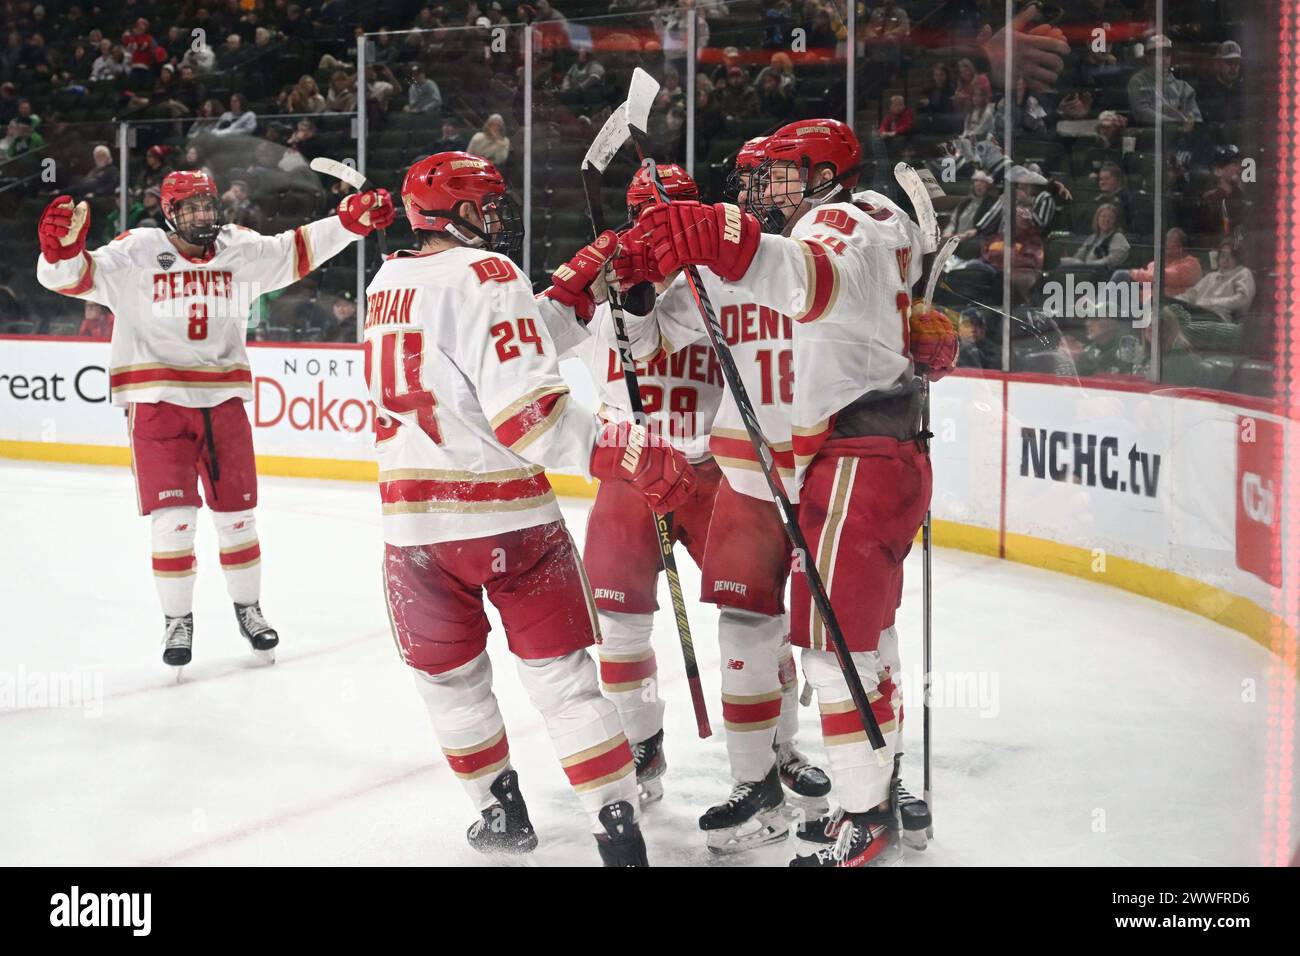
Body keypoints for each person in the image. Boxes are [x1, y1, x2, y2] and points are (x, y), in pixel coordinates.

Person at [620, 120, 954, 864]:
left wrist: (717, 237)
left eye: (774, 175)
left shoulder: (844, 221)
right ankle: (760, 781)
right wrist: (637, 294)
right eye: (753, 180)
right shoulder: (743, 251)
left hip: (832, 463)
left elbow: (814, 277)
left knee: (846, 637)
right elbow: (647, 346)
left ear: (822, 172)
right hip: (748, 472)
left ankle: (873, 785)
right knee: (755, 629)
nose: (759, 192)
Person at [367, 152, 695, 866]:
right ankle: (617, 824)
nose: (496, 217)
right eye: (483, 205)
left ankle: (499, 812)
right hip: (514, 523)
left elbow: (484, 350)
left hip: (416, 533)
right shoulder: (489, 274)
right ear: (450, 210)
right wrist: (625, 450)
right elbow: (531, 416)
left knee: (450, 683)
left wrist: (572, 295)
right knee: (566, 683)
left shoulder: (386, 279)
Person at [35, 170, 395, 672]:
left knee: (238, 519)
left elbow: (295, 250)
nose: (204, 215)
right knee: (173, 523)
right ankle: (176, 619)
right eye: (191, 207)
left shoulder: (239, 248)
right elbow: (73, 278)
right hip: (157, 402)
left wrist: (348, 222)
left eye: (208, 205)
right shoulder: (138, 249)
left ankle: (249, 609)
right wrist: (60, 254)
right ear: (169, 212)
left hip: (223, 402)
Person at [1176, 239, 1255, 323]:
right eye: (1223, 256)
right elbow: (1191, 295)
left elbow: (1242, 299)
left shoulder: (1243, 273)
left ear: (1238, 259)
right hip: (1197, 317)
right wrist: (1173, 302)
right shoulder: (1211, 276)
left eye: (1231, 257)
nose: (1225, 261)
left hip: (1221, 322)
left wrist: (1212, 303)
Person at [1060, 203, 1130, 270]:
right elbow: (1079, 256)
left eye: (1111, 217)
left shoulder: (1118, 237)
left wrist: (1087, 265)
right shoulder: (1093, 237)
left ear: (1116, 221)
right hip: (1085, 271)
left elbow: (1113, 260)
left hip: (1101, 275)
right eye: (1103, 216)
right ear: (1097, 219)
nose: (1107, 220)